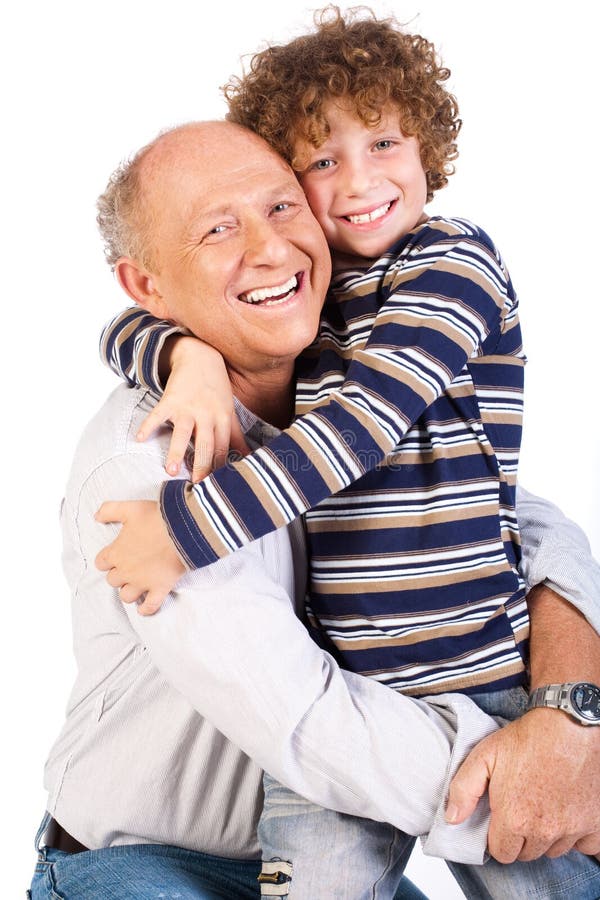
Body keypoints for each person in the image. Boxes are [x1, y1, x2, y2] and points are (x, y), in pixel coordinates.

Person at [94, 10, 600, 898]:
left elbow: (361, 427)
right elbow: (125, 323)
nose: (358, 181)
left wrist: (184, 531)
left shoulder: (452, 262)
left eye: (384, 144)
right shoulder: (308, 292)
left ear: (428, 151)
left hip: (489, 679)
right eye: (321, 162)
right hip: (349, 682)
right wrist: (187, 357)